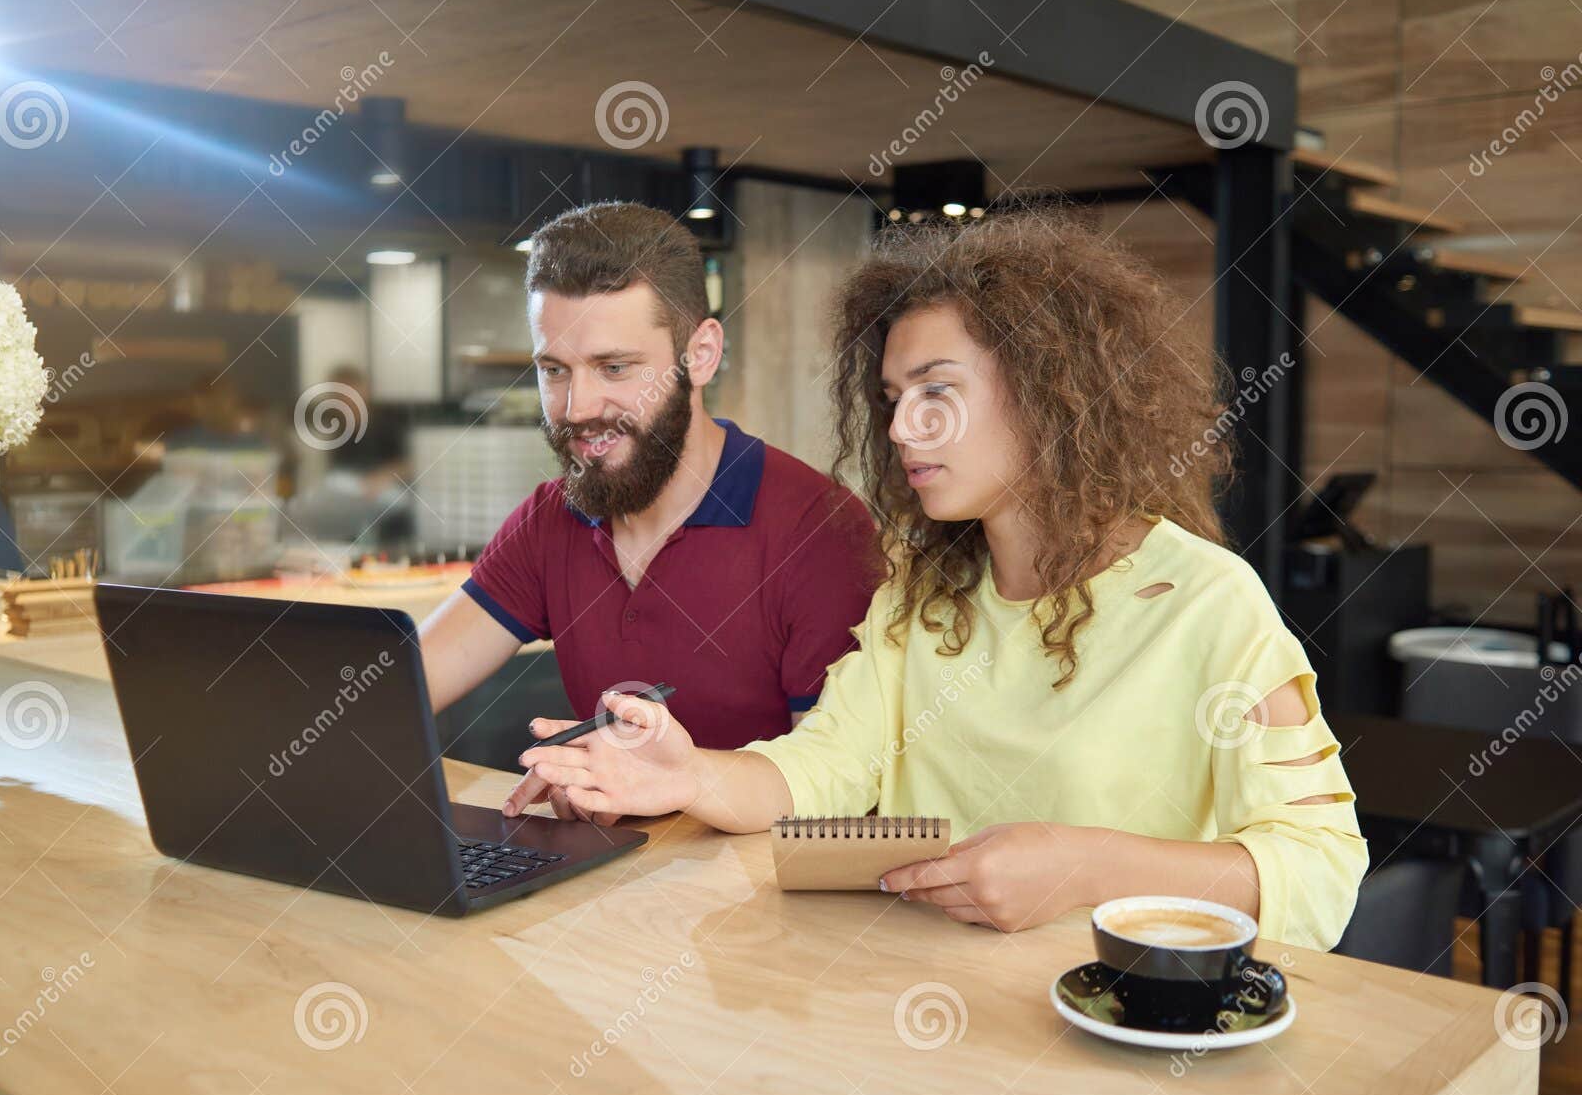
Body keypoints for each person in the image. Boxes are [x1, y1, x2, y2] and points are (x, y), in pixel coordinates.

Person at [511, 207, 1368, 949]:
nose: (903, 430)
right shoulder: (922, 595)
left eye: (937, 391)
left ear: (1048, 393)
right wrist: (687, 773)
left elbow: (1321, 869)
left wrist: (1082, 867)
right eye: (890, 399)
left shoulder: (1209, 604)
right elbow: (828, 767)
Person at [420, 202, 879, 826]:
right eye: (554, 370)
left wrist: (662, 782)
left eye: (615, 368)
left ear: (701, 354)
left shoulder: (818, 530)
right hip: (613, 888)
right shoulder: (552, 517)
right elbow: (401, 685)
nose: (578, 407)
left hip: (759, 903)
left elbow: (838, 788)